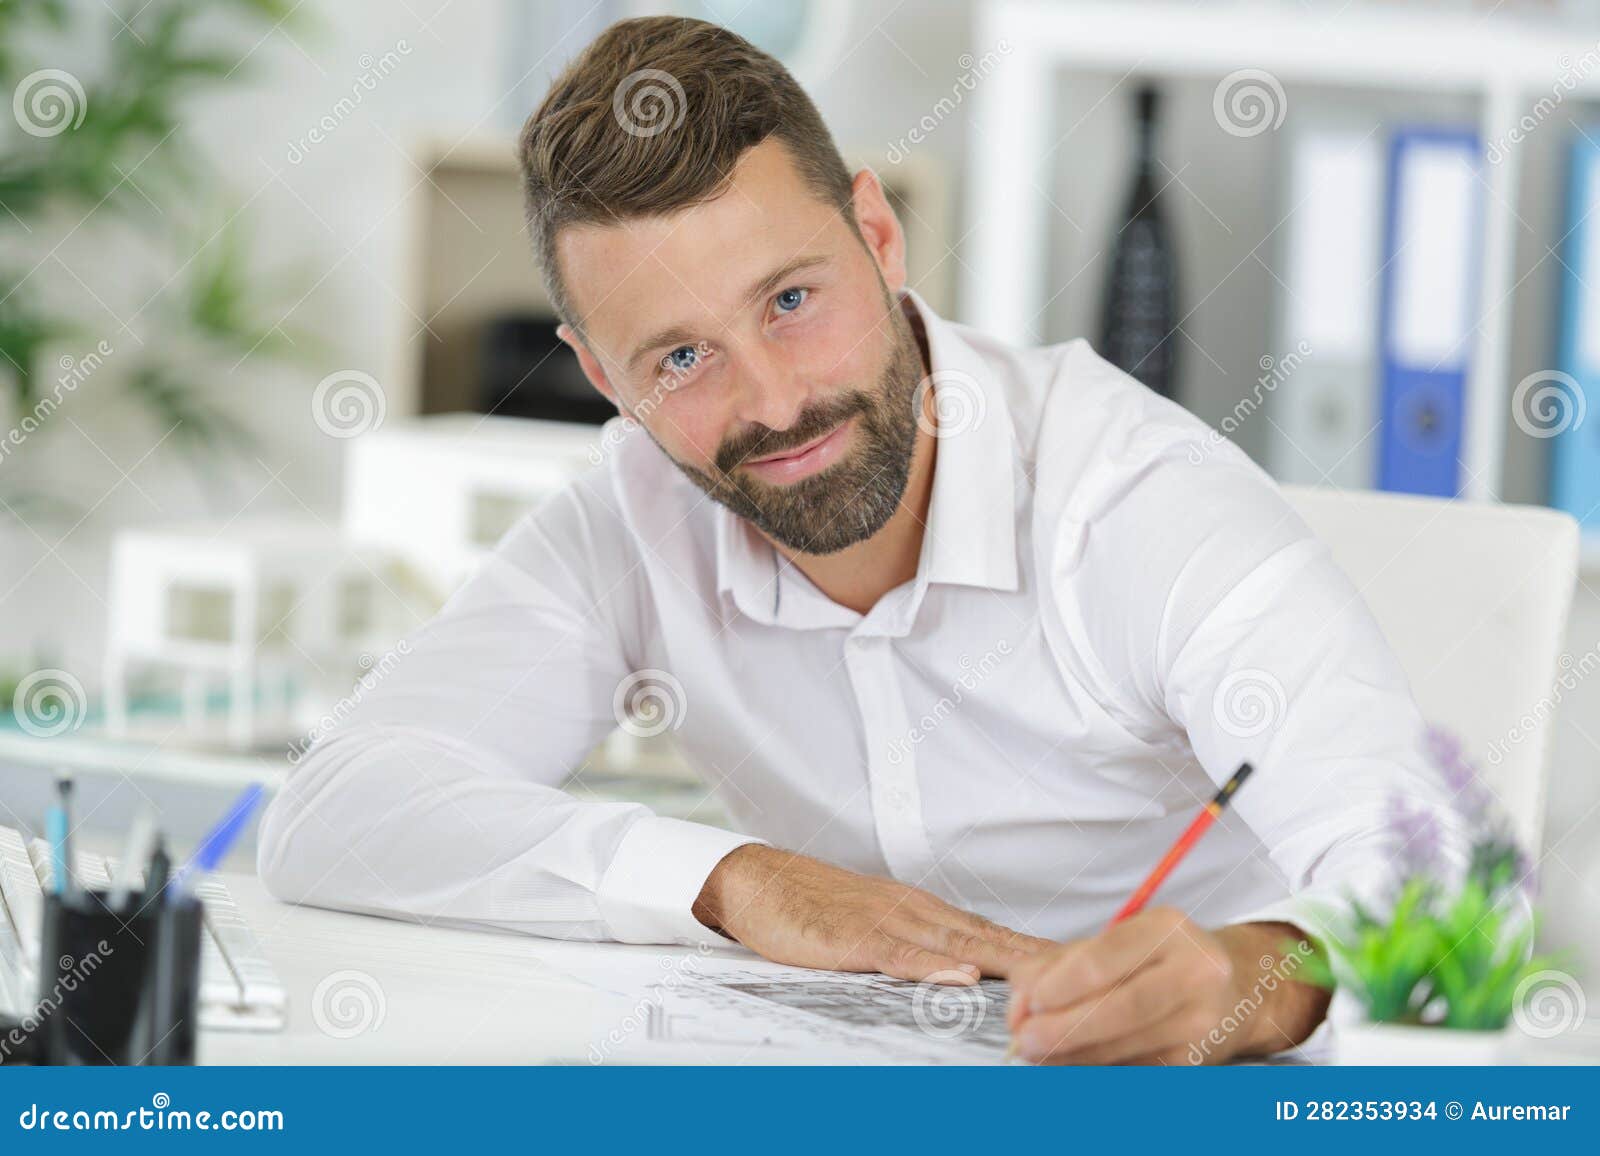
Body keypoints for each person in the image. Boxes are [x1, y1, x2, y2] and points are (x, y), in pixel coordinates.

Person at [258, 15, 1464, 1064]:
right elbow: (337, 809)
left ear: (878, 240)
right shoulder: (628, 516)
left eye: (791, 301)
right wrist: (730, 880)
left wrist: (1256, 978)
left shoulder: (1137, 503)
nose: (773, 402)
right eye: (680, 358)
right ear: (600, 378)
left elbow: (1445, 893)